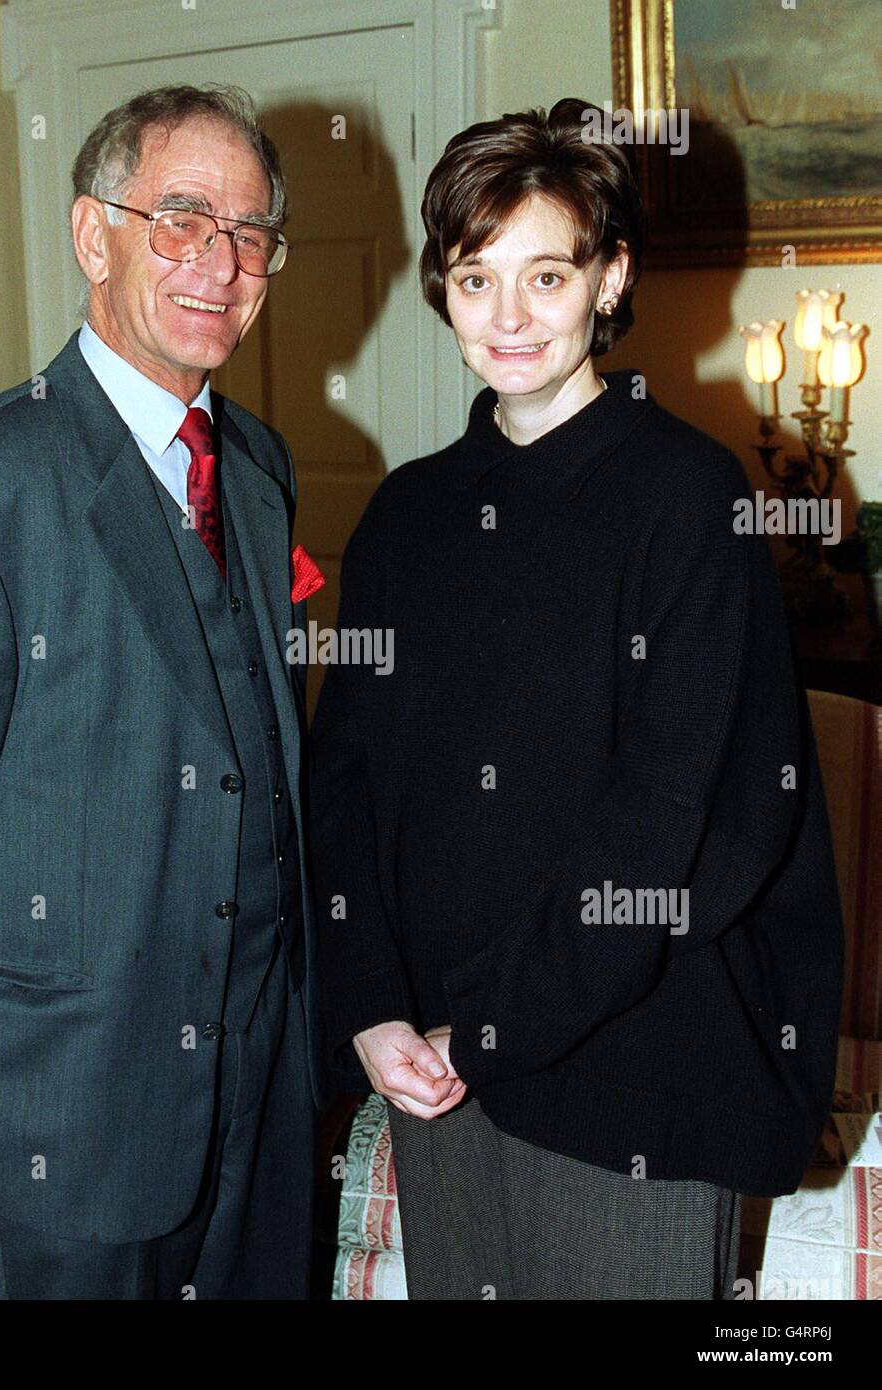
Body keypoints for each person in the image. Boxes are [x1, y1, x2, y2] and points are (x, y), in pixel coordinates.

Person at [309, 98, 844, 1301]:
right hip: (440, 1067)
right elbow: (341, 778)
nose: (507, 317)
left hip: (636, 1058)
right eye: (474, 276)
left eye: (546, 275)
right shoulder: (408, 513)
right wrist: (371, 1006)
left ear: (610, 280)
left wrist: (488, 1024)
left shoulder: (690, 500)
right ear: (441, 290)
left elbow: (667, 824)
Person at [0, 83, 326, 1300]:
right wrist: (27, 1003)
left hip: (265, 1057)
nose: (223, 262)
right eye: (183, 219)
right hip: (77, 1084)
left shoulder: (256, 466)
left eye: (252, 232)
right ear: (92, 233)